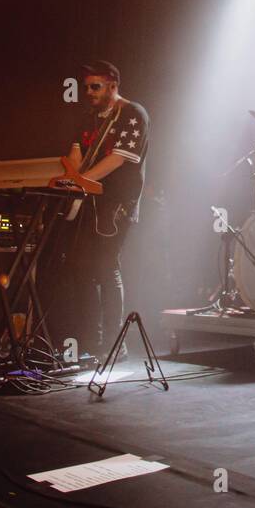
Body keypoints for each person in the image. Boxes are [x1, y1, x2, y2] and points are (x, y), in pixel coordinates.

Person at [57, 60, 149, 361]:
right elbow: (76, 154)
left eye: (95, 86)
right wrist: (69, 173)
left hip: (117, 203)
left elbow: (118, 160)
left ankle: (114, 344)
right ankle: (92, 340)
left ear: (113, 85)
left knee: (106, 267)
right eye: (86, 87)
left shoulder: (132, 114)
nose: (89, 92)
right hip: (89, 202)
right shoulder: (90, 118)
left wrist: (80, 180)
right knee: (82, 269)